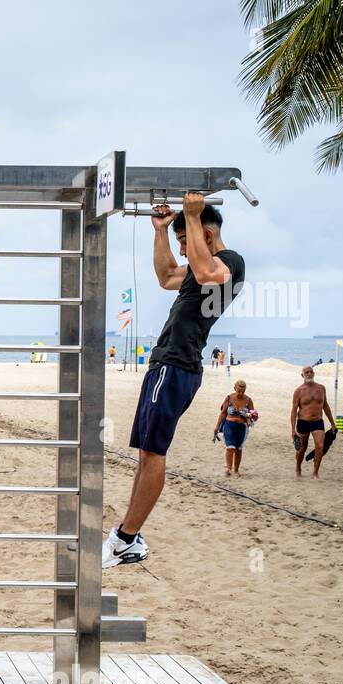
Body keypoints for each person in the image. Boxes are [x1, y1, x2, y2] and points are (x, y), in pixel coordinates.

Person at [103, 193, 246, 568]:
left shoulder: (229, 262)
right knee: (146, 453)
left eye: (186, 242)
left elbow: (204, 271)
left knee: (155, 454)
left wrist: (194, 218)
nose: (183, 251)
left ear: (208, 235)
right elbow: (166, 276)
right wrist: (161, 231)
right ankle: (123, 535)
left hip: (178, 365)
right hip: (166, 365)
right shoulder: (201, 266)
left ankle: (128, 539)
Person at [290, 365, 337, 478]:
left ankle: (315, 472)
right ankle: (298, 468)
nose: (309, 374)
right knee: (302, 448)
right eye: (306, 372)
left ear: (314, 373)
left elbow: (325, 406)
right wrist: (292, 429)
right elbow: (294, 410)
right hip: (303, 422)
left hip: (318, 422)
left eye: (311, 372)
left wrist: (332, 423)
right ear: (302, 375)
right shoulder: (298, 391)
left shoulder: (321, 388)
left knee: (320, 446)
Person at [213, 379, 255, 475]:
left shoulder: (248, 400)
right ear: (235, 388)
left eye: (243, 391)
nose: (240, 393)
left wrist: (248, 415)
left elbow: (253, 415)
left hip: (242, 427)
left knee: (238, 449)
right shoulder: (229, 398)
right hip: (229, 425)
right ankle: (228, 469)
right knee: (230, 447)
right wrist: (217, 426)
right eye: (239, 391)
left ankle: (236, 470)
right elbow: (223, 413)